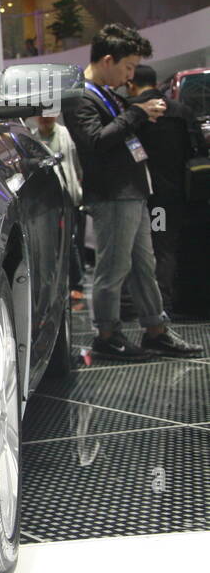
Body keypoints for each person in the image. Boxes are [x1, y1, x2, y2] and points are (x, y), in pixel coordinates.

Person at [61, 24, 202, 359]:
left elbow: (118, 133)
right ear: (108, 60)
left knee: (143, 266)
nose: (129, 75)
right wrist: (137, 112)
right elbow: (95, 141)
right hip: (112, 194)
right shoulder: (79, 95)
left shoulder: (107, 93)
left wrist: (137, 115)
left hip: (133, 190)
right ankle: (107, 334)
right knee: (113, 268)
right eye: (127, 67)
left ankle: (156, 330)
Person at [125, 64, 208, 319]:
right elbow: (196, 151)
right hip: (178, 193)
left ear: (132, 83)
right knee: (169, 245)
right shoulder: (181, 111)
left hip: (148, 194)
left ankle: (160, 304)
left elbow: (129, 149)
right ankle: (168, 301)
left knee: (155, 248)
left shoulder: (132, 113)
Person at [27, 112, 85, 304]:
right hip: (43, 202)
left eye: (50, 114)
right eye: (41, 114)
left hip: (67, 196)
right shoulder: (30, 136)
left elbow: (76, 163)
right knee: (47, 248)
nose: (46, 118)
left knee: (70, 241)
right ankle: (50, 294)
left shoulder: (65, 134)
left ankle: (76, 285)